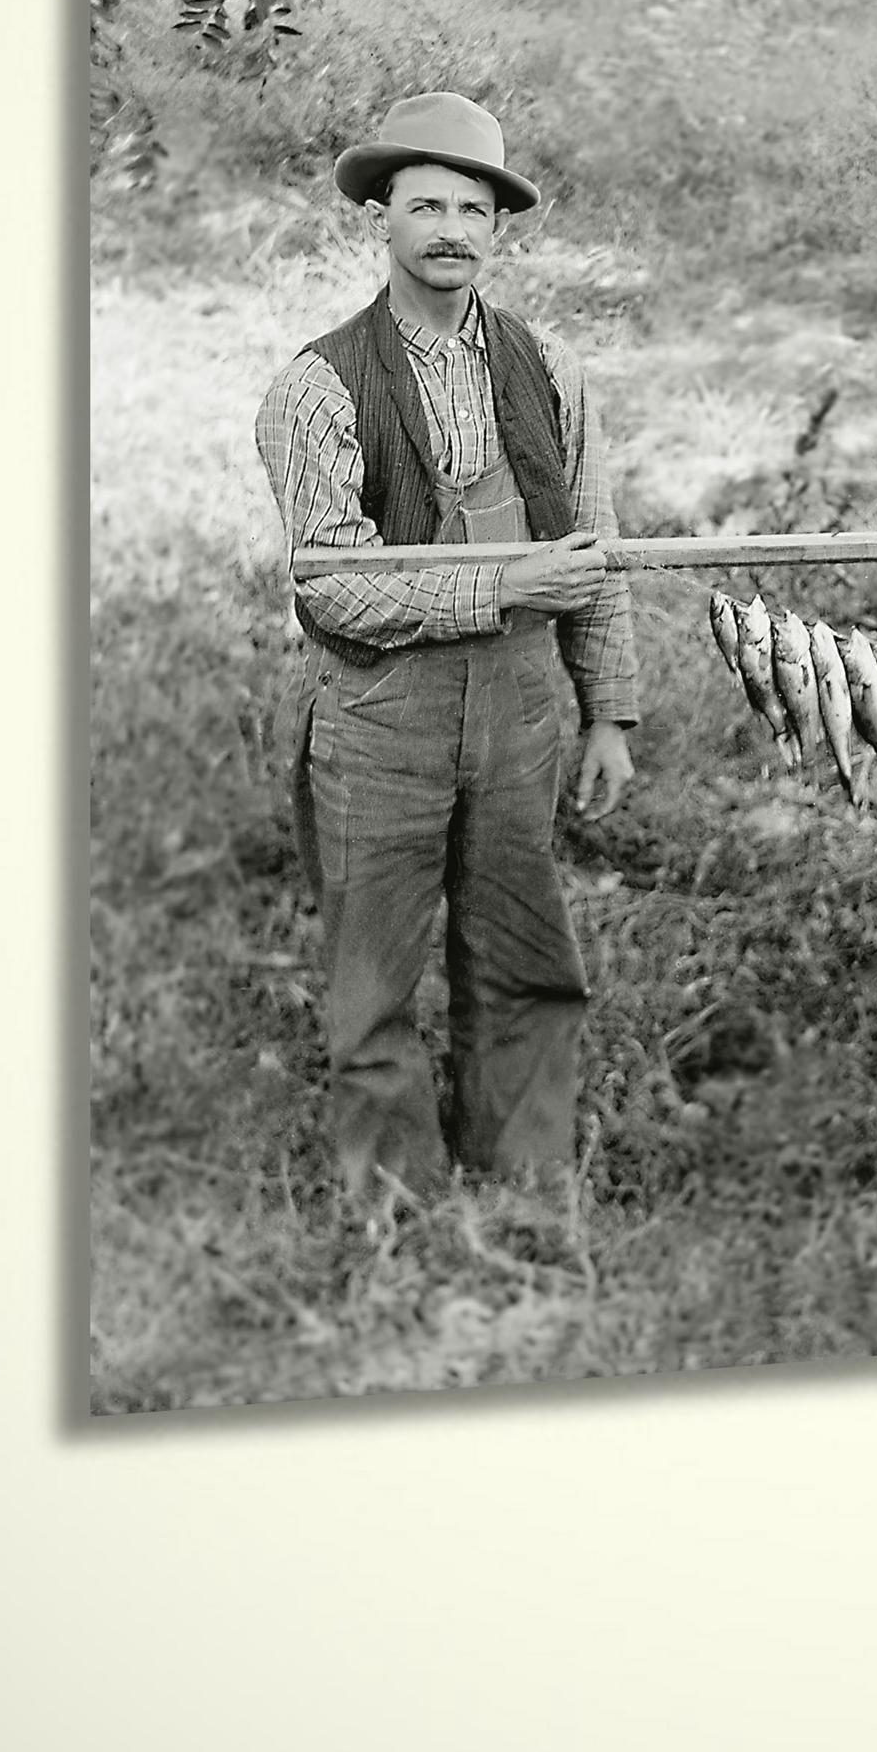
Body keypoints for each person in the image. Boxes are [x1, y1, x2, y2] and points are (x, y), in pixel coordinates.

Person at [255, 90, 638, 1203]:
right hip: (382, 713)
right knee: (374, 975)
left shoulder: (551, 371)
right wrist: (506, 583)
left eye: (473, 208)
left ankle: (525, 1186)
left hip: (522, 708)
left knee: (523, 950)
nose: (451, 230)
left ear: (498, 227)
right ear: (381, 216)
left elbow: (593, 552)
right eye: (426, 205)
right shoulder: (317, 387)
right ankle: (396, 1209)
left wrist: (607, 712)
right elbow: (336, 587)